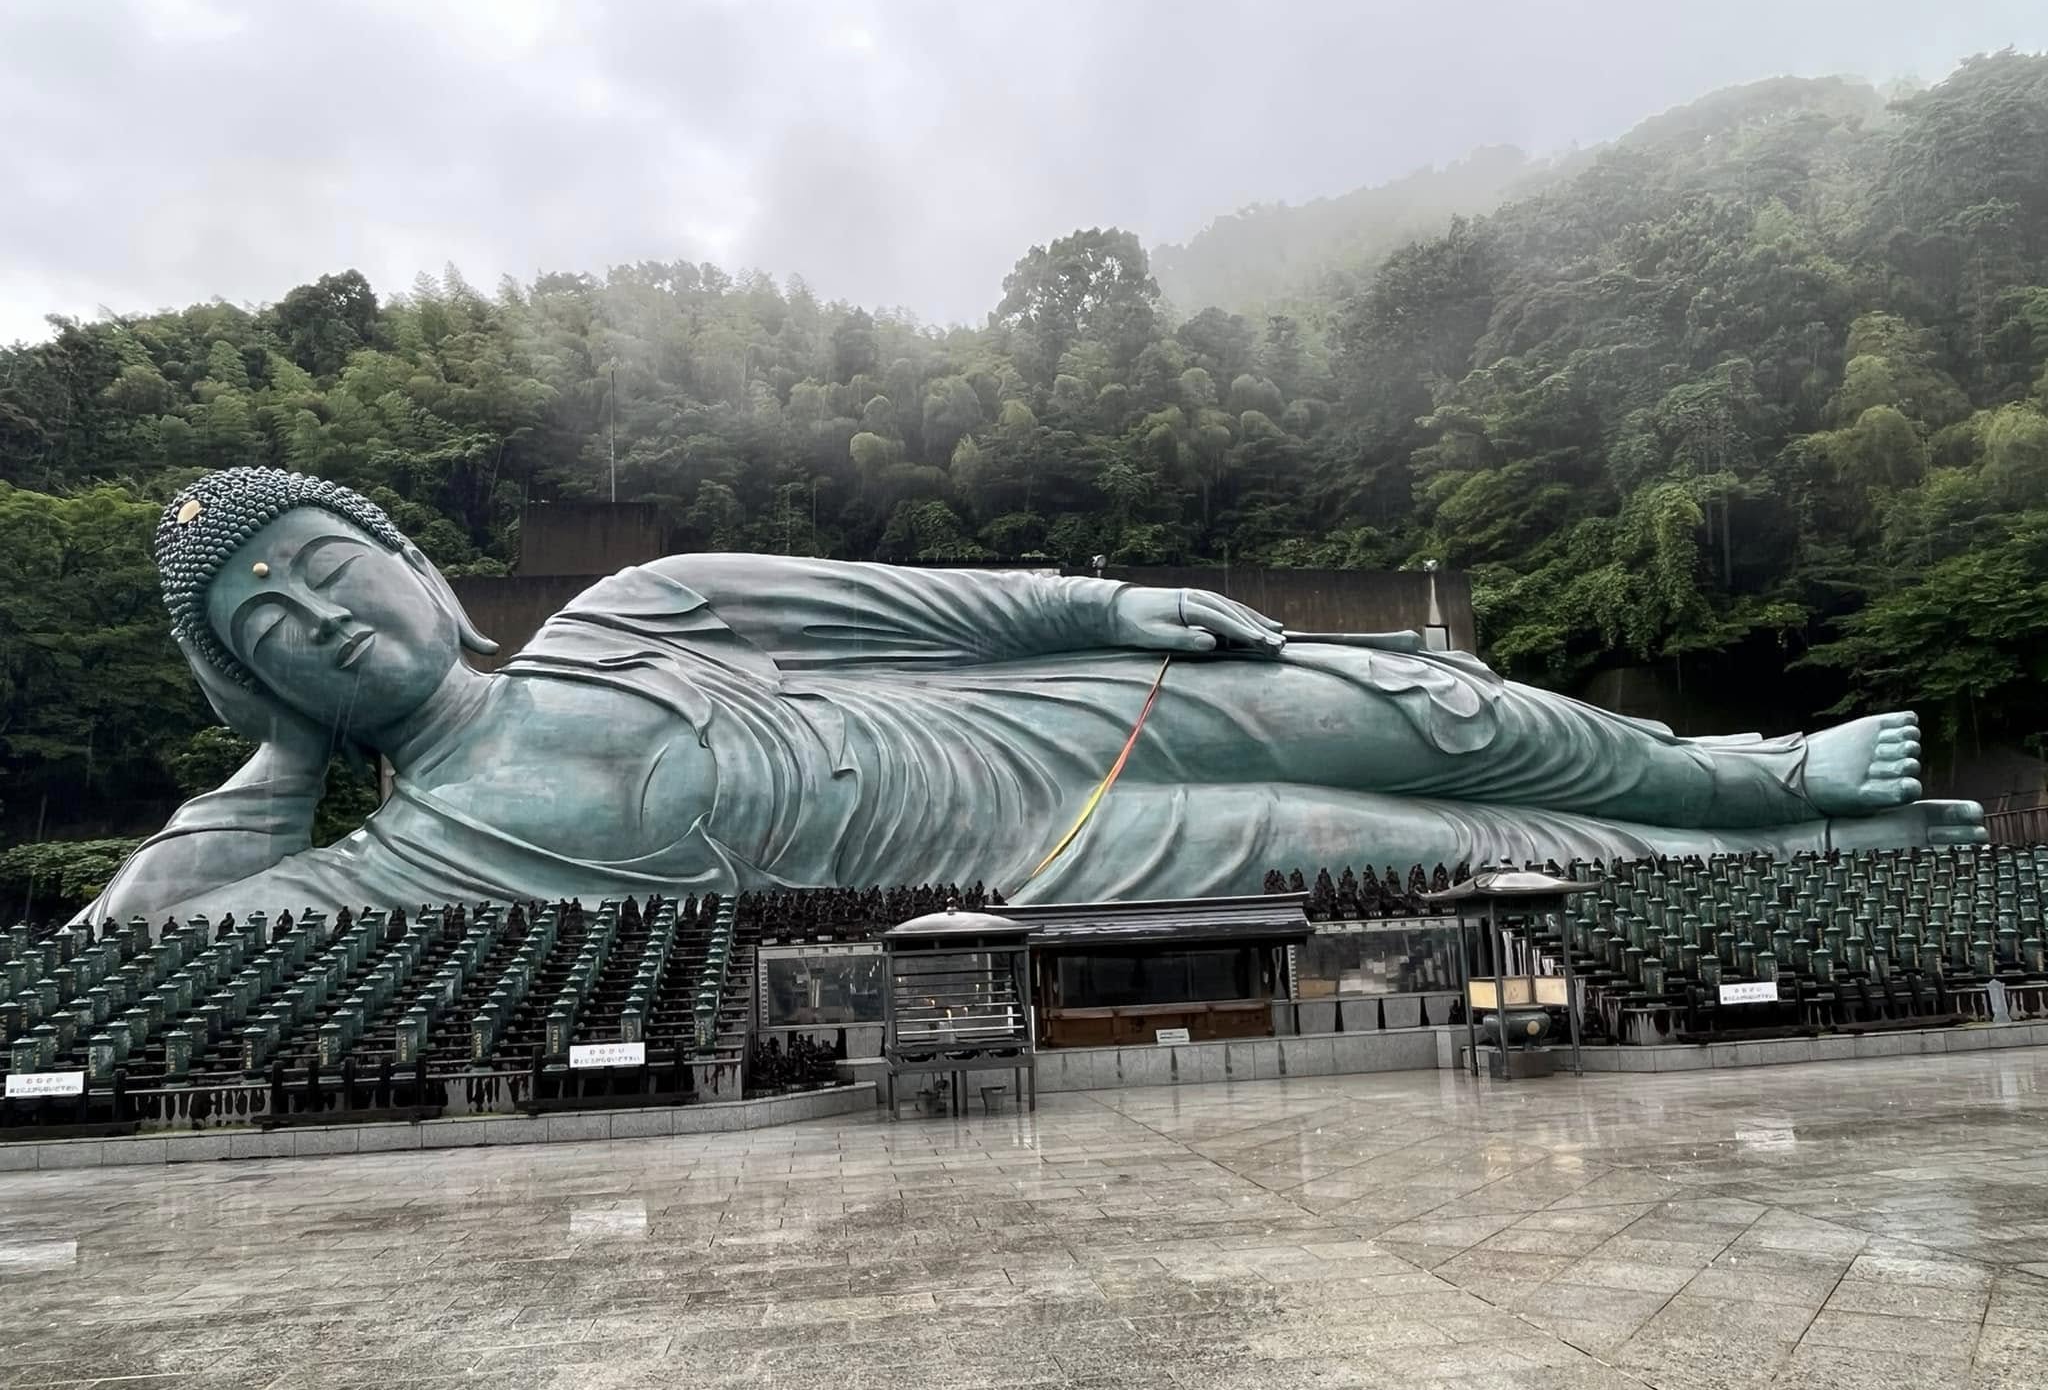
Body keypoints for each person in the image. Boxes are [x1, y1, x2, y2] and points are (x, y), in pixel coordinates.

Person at [78, 468, 1983, 925]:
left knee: (1442, 715)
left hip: (1066, 719)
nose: (320, 624)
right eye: (268, 632)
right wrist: (283, 759)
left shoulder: (637, 604)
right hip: (1060, 860)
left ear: (416, 563)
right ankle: (1848, 838)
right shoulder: (428, 848)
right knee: (1465, 852)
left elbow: (930, 602)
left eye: (332, 573)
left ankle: (1747, 775)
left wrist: (1124, 600)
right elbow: (131, 944)